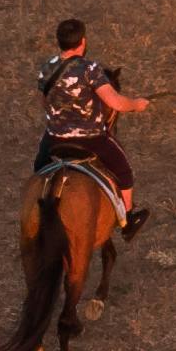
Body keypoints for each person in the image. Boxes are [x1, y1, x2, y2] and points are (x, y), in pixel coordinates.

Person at [34, 16, 150, 230]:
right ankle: (127, 219)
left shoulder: (46, 68)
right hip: (91, 139)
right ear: (83, 42)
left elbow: (44, 102)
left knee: (38, 169)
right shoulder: (90, 69)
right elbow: (114, 102)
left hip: (54, 138)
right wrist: (136, 104)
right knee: (124, 171)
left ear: (59, 42)